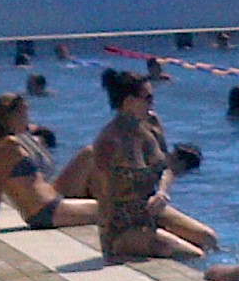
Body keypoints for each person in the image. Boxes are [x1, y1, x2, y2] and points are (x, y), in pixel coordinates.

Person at [89, 69, 216, 260]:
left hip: (152, 211)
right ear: (129, 102)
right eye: (147, 98)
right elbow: (104, 197)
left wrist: (162, 192)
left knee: (209, 239)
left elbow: (167, 166)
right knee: (193, 254)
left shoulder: (152, 124)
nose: (152, 103)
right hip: (122, 228)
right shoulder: (109, 142)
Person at [0, 91, 96, 231]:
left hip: (51, 197)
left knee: (89, 153)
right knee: (115, 211)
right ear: (10, 116)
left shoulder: (11, 141)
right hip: (45, 211)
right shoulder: (7, 146)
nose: (27, 118)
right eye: (24, 113)